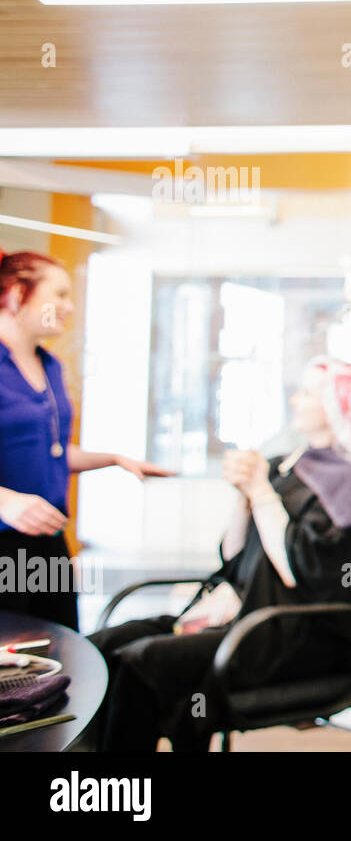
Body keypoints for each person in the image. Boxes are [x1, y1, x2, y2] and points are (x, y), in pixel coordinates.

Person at [88, 357, 351, 751]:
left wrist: (262, 492)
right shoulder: (286, 467)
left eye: (308, 392)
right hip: (247, 619)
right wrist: (243, 498)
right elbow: (234, 557)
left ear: (338, 405)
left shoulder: (348, 486)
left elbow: (302, 574)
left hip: (292, 636)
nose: (296, 400)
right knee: (105, 646)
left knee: (140, 663)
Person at [0, 249, 173, 630]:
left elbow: (49, 453)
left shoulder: (50, 366)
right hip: (4, 543)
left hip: (48, 541)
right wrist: (5, 501)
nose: (69, 307)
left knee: (60, 651)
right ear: (15, 295)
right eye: (59, 295)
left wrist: (114, 458)